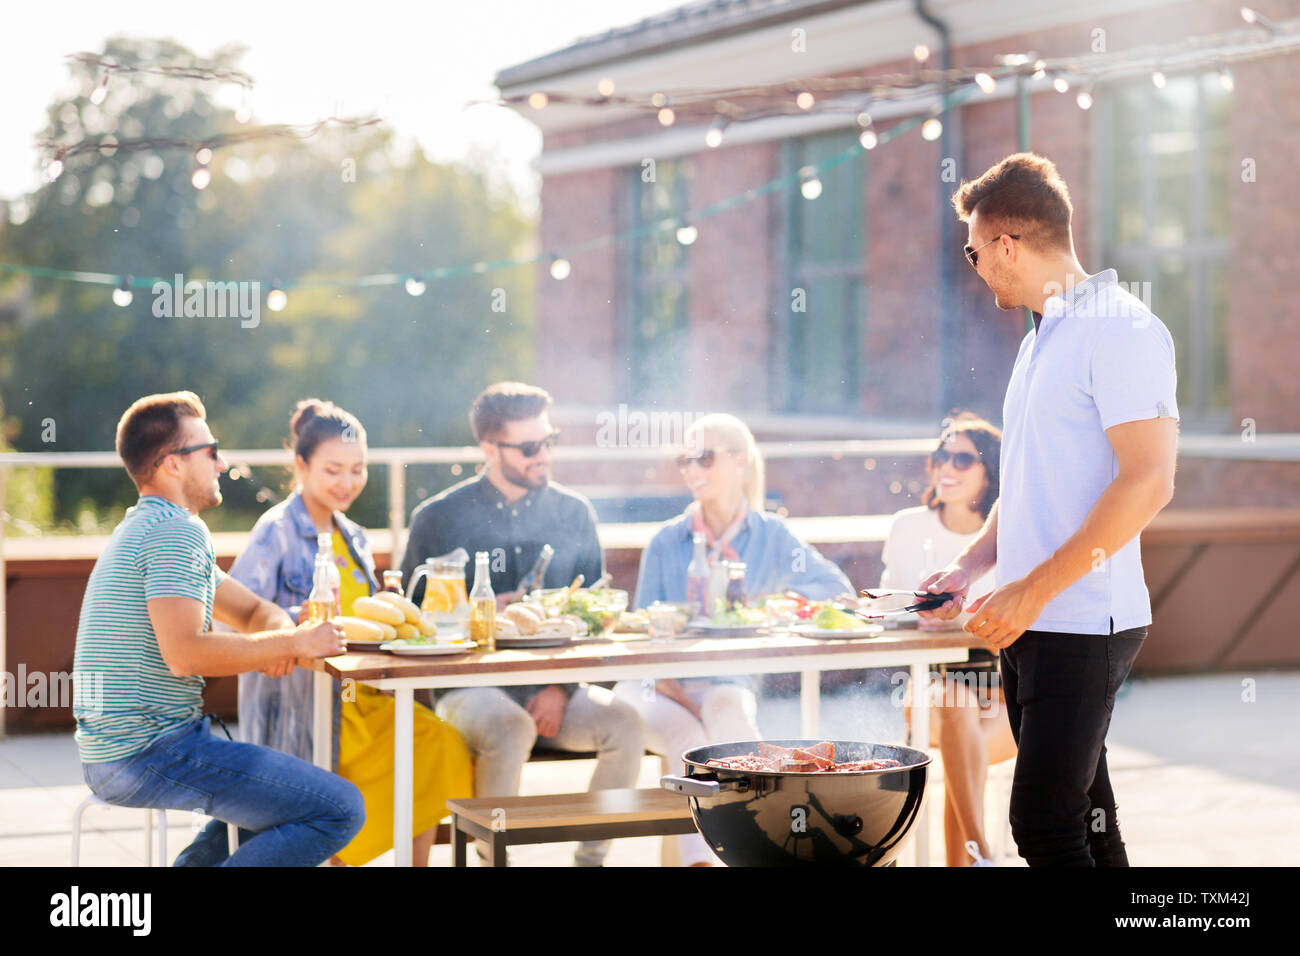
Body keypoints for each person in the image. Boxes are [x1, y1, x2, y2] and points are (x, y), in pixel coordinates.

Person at [923, 153, 1179, 867]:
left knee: (1041, 823)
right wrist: (970, 565)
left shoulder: (1121, 329)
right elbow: (1033, 484)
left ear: (1006, 244)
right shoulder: (1043, 339)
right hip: (1035, 618)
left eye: (975, 252)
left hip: (1083, 619)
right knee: (1090, 821)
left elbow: (1149, 481)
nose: (975, 268)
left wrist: (1032, 588)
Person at [73, 391, 364, 866]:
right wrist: (290, 642)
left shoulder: (149, 527)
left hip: (117, 752)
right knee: (339, 809)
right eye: (209, 451)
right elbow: (184, 654)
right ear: (172, 464)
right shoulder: (176, 532)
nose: (223, 462)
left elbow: (253, 613)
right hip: (149, 752)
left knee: (274, 808)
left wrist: (274, 641)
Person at [399, 381, 645, 867]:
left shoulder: (575, 513)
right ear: (490, 448)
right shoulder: (438, 517)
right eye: (531, 447)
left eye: (548, 442)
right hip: (467, 688)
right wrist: (477, 614)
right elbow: (411, 621)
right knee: (510, 727)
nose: (544, 456)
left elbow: (599, 619)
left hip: (553, 689)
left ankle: (590, 860)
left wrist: (563, 687)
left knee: (627, 723)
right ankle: (495, 863)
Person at [228, 399, 473, 866]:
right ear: (301, 465)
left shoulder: (356, 535)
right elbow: (234, 615)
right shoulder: (275, 532)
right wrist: (294, 627)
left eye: (357, 470)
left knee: (441, 746)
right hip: (303, 707)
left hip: (359, 700)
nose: (347, 483)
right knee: (345, 788)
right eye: (333, 470)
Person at [618, 412, 852, 866]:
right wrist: (674, 688)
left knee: (731, 721)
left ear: (740, 461)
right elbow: (641, 633)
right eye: (685, 460)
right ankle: (701, 862)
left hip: (724, 681)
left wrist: (778, 602)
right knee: (689, 735)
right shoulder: (667, 540)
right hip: (653, 685)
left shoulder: (771, 535)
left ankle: (757, 850)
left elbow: (836, 588)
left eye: (704, 458)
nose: (691, 469)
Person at [881, 412, 1016, 866]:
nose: (947, 468)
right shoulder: (908, 527)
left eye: (962, 459)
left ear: (990, 471)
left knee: (967, 744)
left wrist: (961, 623)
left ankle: (971, 861)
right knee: (954, 701)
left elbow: (1018, 624)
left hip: (1001, 694)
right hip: (927, 689)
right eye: (941, 456)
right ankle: (982, 854)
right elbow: (889, 609)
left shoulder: (1010, 533)